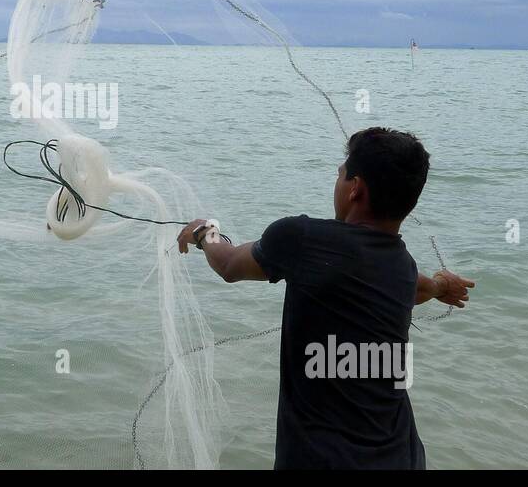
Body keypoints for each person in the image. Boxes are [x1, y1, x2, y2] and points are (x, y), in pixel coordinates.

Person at [176, 126, 474, 469]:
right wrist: (440, 286)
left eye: (341, 174)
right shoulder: (401, 267)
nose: (338, 182)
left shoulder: (302, 238)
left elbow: (229, 265)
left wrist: (205, 233)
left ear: (355, 189)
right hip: (401, 456)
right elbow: (420, 289)